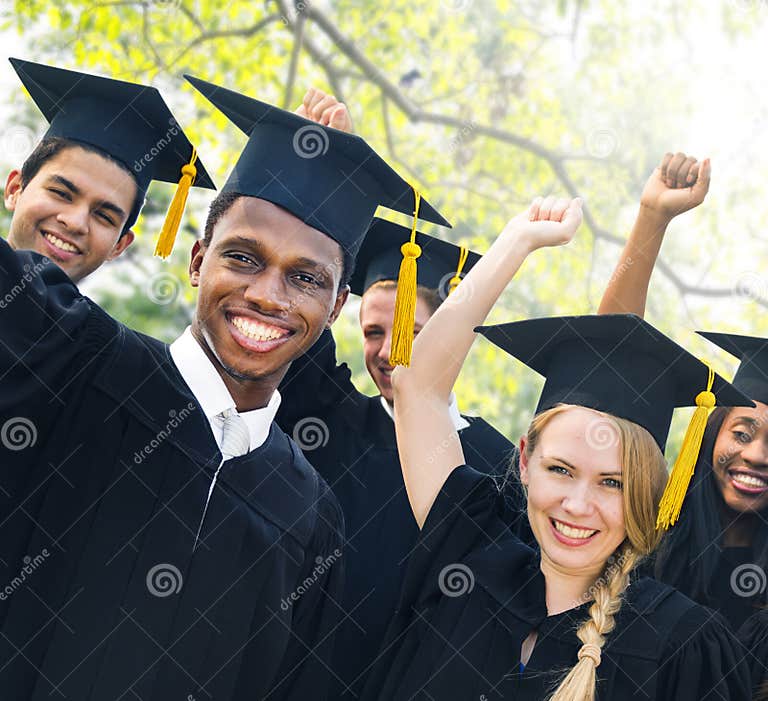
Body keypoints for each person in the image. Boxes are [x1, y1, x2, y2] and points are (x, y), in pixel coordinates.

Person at [0, 76, 446, 700]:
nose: (267, 294)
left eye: (306, 278)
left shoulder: (312, 517)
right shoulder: (74, 361)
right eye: (242, 257)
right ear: (196, 259)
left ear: (338, 305)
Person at [362, 195, 752, 700]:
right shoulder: (470, 557)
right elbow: (419, 385)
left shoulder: (683, 644)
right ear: (524, 460)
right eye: (561, 470)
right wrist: (518, 240)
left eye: (612, 482)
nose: (577, 505)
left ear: (648, 491)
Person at [276, 216, 520, 698]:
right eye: (372, 332)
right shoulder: (329, 420)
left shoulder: (498, 465)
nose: (387, 351)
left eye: (412, 329)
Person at [598, 151, 768, 632]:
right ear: (710, 432)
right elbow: (611, 365)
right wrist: (653, 217)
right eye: (742, 431)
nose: (755, 455)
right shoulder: (649, 528)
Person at [3, 58, 215, 282]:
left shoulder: (90, 319)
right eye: (62, 194)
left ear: (119, 246)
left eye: (104, 216)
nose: (75, 222)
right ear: (15, 189)